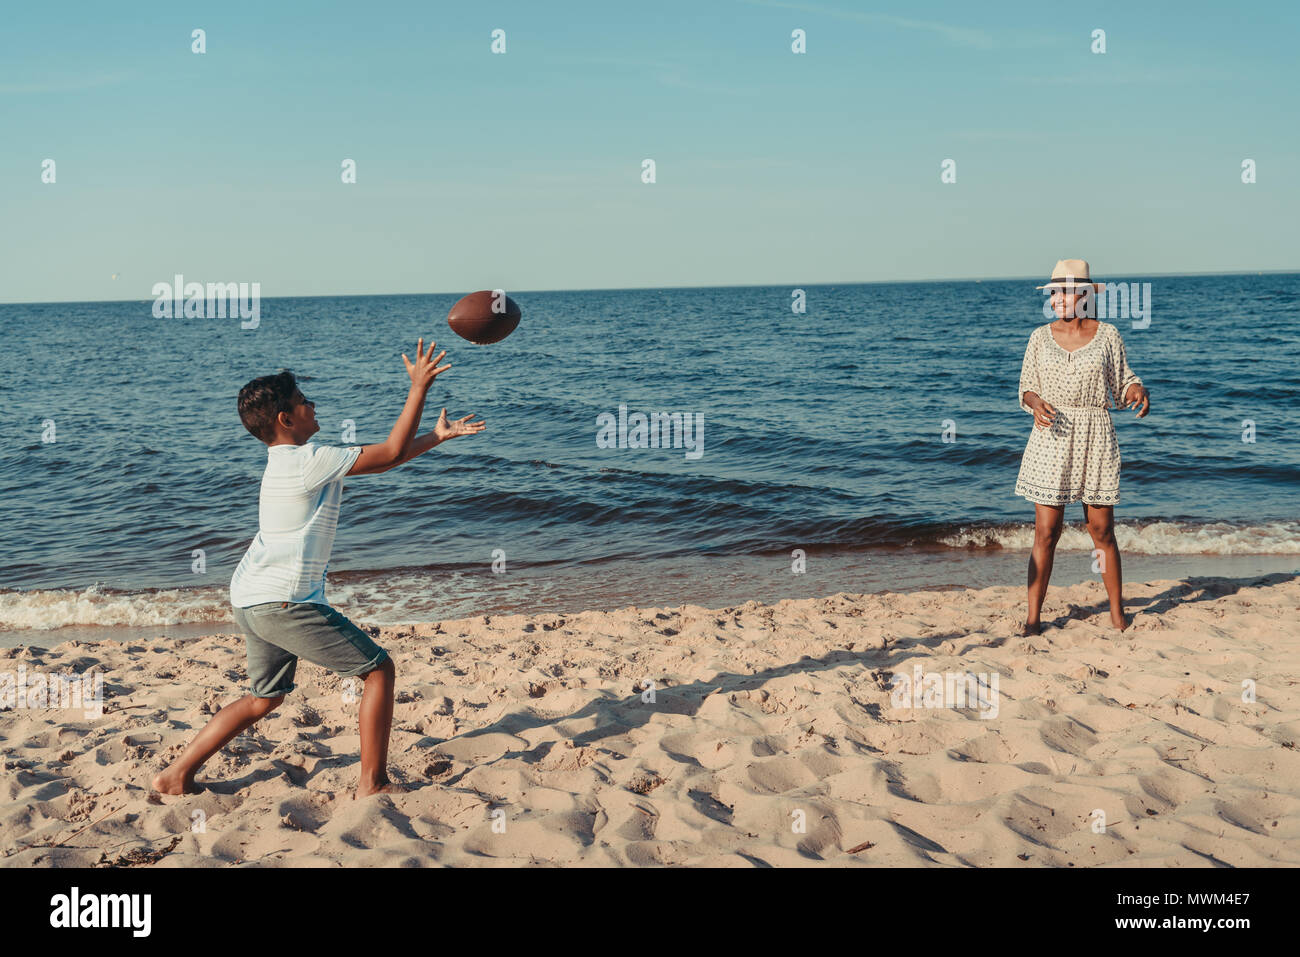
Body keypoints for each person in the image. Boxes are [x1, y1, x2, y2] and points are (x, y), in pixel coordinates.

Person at [152, 338, 485, 798]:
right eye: (303, 401)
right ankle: (372, 784)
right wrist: (418, 388)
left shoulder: (289, 463)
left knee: (263, 699)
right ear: (286, 420)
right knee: (379, 670)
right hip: (283, 601)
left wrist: (436, 437)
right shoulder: (310, 461)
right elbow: (388, 452)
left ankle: (175, 775)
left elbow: (384, 461)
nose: (312, 405)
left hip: (250, 595)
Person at [1015, 260, 1150, 636]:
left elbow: (1123, 383)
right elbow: (1026, 386)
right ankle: (1032, 619)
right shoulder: (1039, 337)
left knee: (1101, 529)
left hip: (1095, 435)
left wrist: (1136, 392)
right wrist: (1034, 401)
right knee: (1046, 531)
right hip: (1051, 436)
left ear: (1085, 295)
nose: (1057, 299)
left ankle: (1117, 613)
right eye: (1053, 292)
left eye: (1064, 291)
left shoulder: (1108, 336)